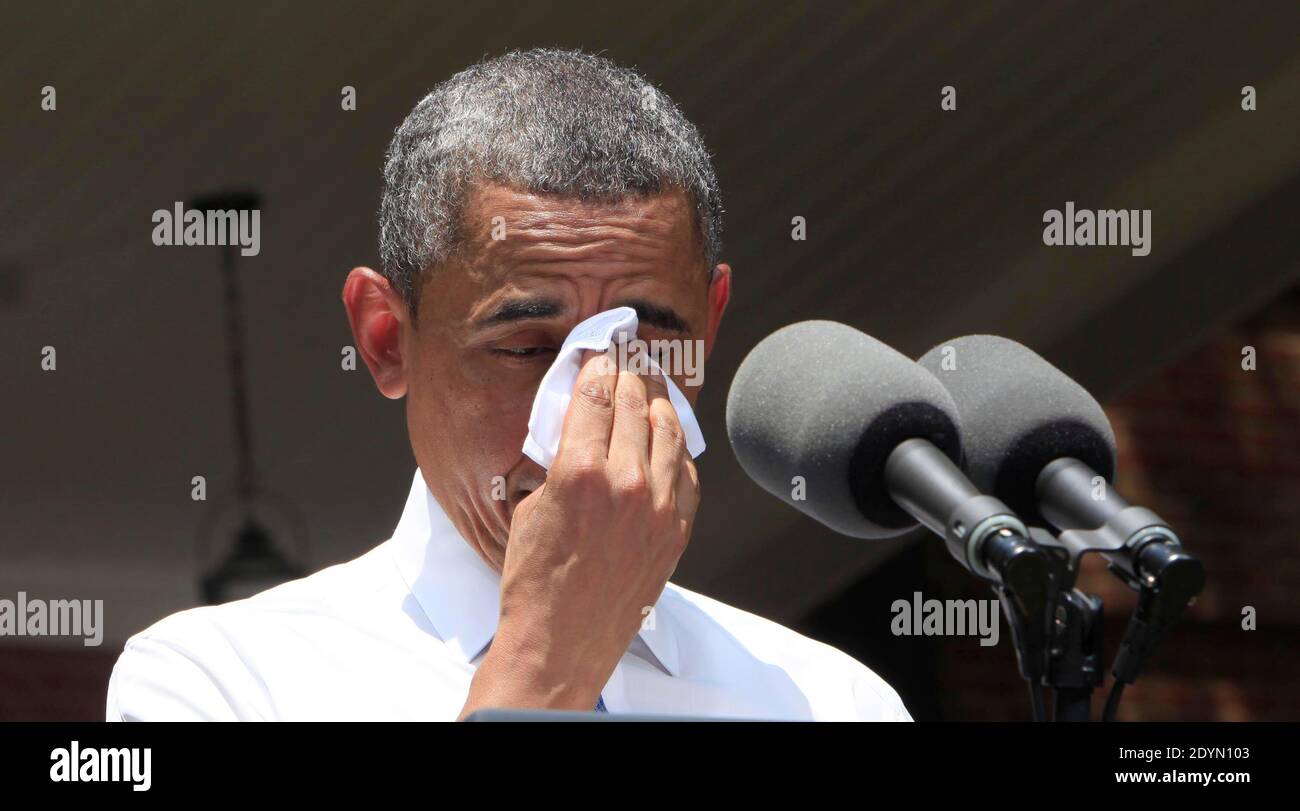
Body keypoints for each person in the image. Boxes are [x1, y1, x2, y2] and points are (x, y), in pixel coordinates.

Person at [106, 48, 910, 721]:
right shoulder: (218, 683)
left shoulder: (831, 700)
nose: (582, 422)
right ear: (387, 338)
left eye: (648, 346)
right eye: (527, 348)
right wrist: (548, 663)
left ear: (710, 323)